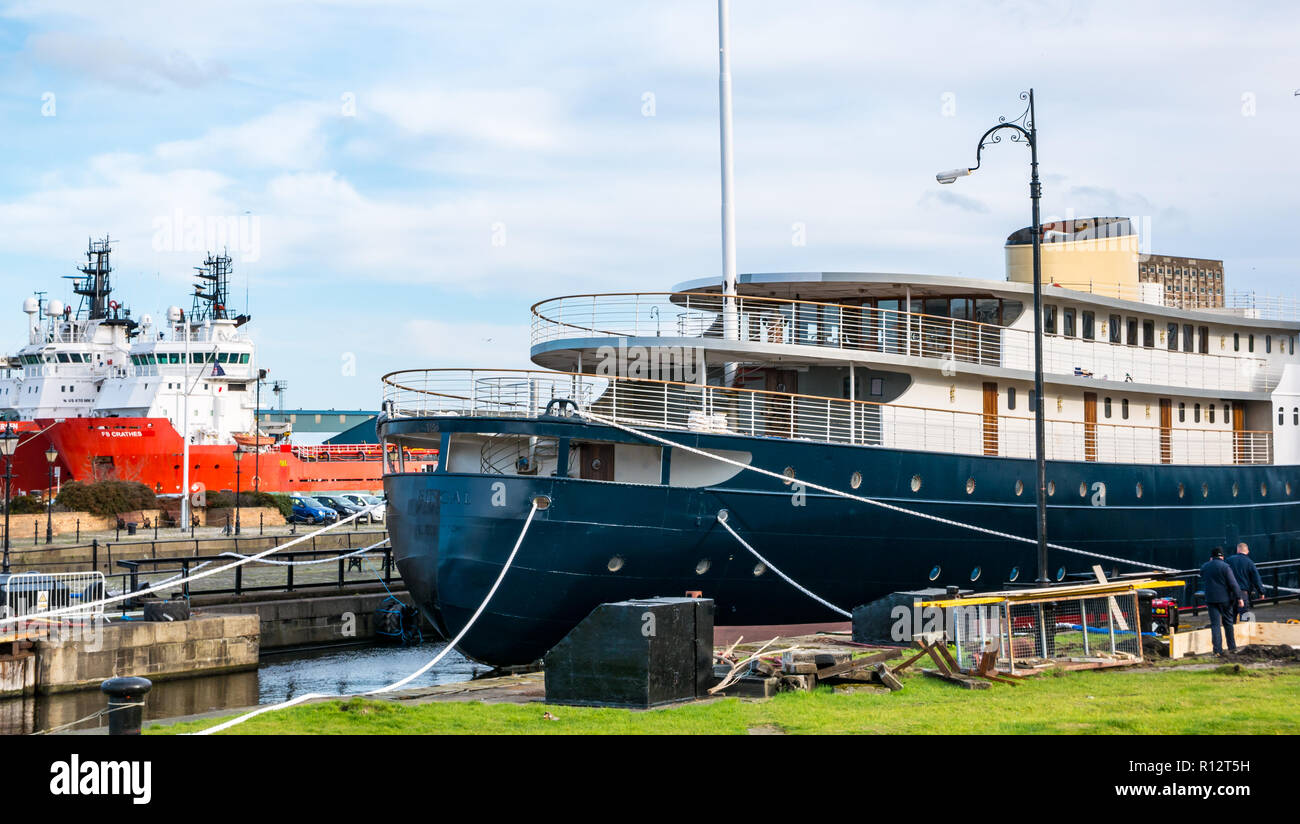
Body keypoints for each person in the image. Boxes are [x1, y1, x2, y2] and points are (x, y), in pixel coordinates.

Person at [1200, 547, 1245, 655]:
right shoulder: (1225, 567)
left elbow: (1202, 575)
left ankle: (1217, 650)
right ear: (1222, 556)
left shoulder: (1205, 567)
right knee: (1228, 623)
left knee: (1215, 625)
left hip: (1211, 599)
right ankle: (1232, 648)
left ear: (1211, 557)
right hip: (1225, 600)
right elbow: (1233, 584)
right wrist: (1239, 597)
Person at [1226, 542, 1265, 619]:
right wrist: (1261, 591)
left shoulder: (1228, 560)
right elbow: (1256, 578)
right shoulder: (1249, 562)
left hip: (1230, 593)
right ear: (1247, 551)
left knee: (1230, 618)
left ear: (1238, 550)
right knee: (1244, 617)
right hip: (1243, 593)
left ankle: (1230, 631)